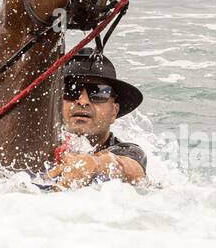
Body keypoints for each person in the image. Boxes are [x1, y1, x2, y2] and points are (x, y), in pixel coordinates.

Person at [47, 53, 147, 188]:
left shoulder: (128, 151)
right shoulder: (39, 148)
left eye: (98, 92)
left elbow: (134, 171)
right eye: (71, 90)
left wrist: (95, 164)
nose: (83, 101)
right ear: (55, 104)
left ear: (114, 111)